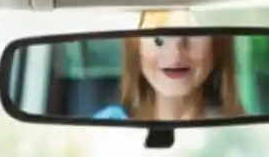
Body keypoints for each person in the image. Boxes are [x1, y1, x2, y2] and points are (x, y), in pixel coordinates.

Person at [94, 33, 245, 122]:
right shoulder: (106, 124)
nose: (176, 52)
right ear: (135, 45)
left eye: (193, 31)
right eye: (158, 34)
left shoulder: (244, 137)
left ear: (218, 43)